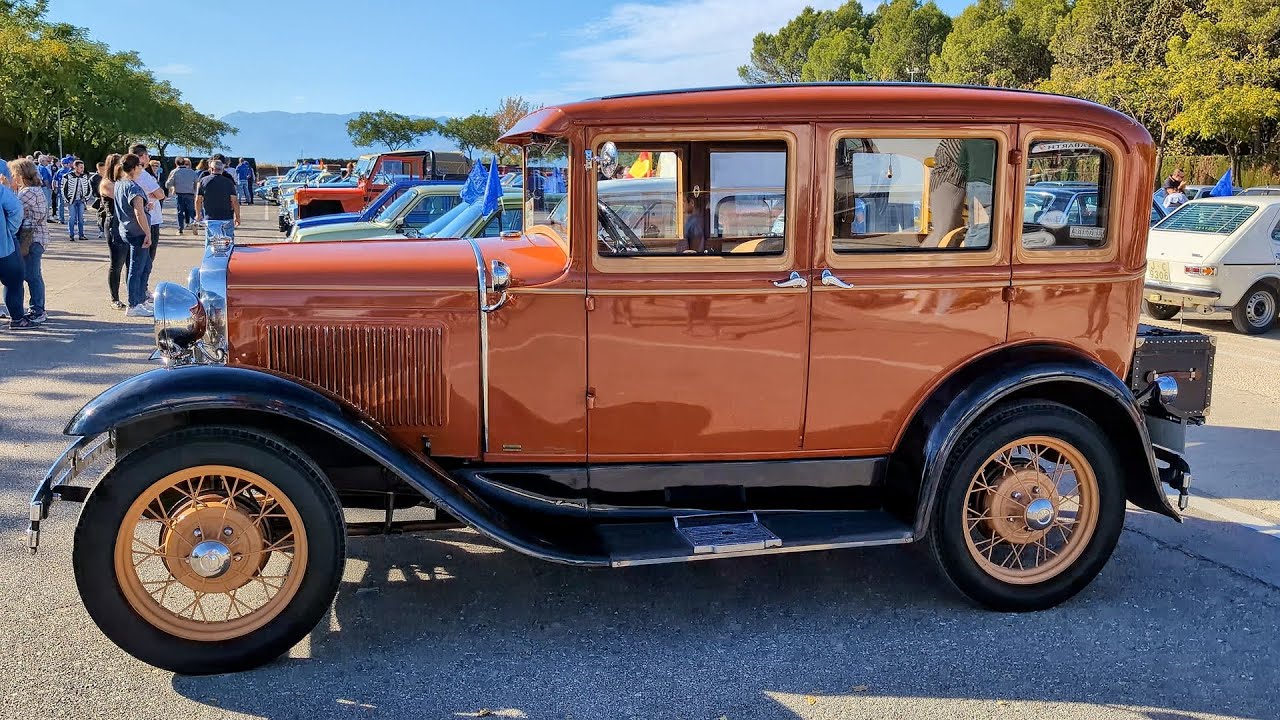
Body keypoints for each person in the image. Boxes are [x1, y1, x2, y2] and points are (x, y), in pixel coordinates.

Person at [10, 158, 50, 324]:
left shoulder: (27, 193)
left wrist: (8, 189)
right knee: (34, 275)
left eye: (13, 173)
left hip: (32, 238)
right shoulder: (33, 189)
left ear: (20, 174)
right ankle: (38, 308)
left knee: (31, 275)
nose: (12, 176)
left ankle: (37, 310)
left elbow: (12, 209)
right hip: (38, 237)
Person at [113, 154, 153, 317]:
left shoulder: (120, 184)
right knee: (137, 268)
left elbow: (136, 208)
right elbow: (138, 213)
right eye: (141, 166)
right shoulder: (132, 187)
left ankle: (140, 299)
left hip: (127, 229)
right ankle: (134, 304)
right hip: (137, 232)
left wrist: (145, 207)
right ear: (135, 167)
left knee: (145, 265)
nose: (142, 169)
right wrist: (148, 233)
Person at [127, 143, 165, 295]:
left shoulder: (128, 177)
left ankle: (140, 291)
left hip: (142, 219)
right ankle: (141, 292)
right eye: (148, 155)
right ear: (141, 157)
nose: (149, 158)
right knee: (146, 260)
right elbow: (160, 194)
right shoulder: (143, 175)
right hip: (150, 219)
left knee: (137, 261)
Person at [0, 162, 32, 329]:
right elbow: (16, 210)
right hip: (3, 247)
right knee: (13, 281)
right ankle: (17, 318)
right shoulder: (1, 190)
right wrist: (9, 231)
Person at [99, 154, 128, 310]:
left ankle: (134, 295)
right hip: (114, 224)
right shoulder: (107, 183)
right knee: (117, 262)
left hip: (126, 223)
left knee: (130, 261)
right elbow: (122, 198)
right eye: (120, 165)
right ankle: (114, 298)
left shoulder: (121, 182)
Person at [196, 158, 240, 244]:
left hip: (211, 217)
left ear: (211, 169)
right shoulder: (228, 182)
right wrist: (237, 216)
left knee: (211, 243)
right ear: (222, 170)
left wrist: (198, 214)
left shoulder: (203, 181)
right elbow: (234, 201)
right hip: (227, 217)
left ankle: (211, 256)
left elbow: (198, 200)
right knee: (229, 242)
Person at [60, 159, 92, 242]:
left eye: (83, 167)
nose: (82, 169)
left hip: (81, 200)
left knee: (81, 218)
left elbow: (89, 188)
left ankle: (81, 235)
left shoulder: (85, 177)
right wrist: (66, 200)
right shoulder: (67, 176)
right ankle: (71, 235)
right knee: (72, 218)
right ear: (75, 167)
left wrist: (85, 198)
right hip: (72, 201)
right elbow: (63, 189)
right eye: (81, 167)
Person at [165, 157, 199, 235]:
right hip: (190, 194)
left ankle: (180, 229)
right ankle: (193, 222)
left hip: (180, 194)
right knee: (191, 210)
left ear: (176, 163)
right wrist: (194, 191)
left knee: (180, 212)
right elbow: (196, 182)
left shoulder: (175, 171)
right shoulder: (191, 172)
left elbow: (168, 184)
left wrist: (173, 187)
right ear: (184, 163)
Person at [53, 156, 74, 223]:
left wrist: (55, 188)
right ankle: (72, 219)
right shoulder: (71, 171)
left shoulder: (59, 171)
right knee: (70, 204)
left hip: (61, 190)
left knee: (61, 205)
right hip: (68, 190)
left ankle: (61, 219)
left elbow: (54, 180)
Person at [35, 154, 55, 223]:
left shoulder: (39, 168)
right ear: (43, 161)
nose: (48, 162)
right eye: (47, 160)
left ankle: (45, 216)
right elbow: (45, 179)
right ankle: (46, 217)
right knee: (47, 203)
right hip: (46, 187)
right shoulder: (43, 169)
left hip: (43, 187)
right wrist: (50, 187)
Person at [88, 161, 105, 239]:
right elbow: (91, 189)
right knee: (100, 214)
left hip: (108, 198)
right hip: (99, 198)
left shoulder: (108, 176)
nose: (103, 171)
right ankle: (101, 229)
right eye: (101, 169)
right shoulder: (94, 178)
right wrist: (97, 195)